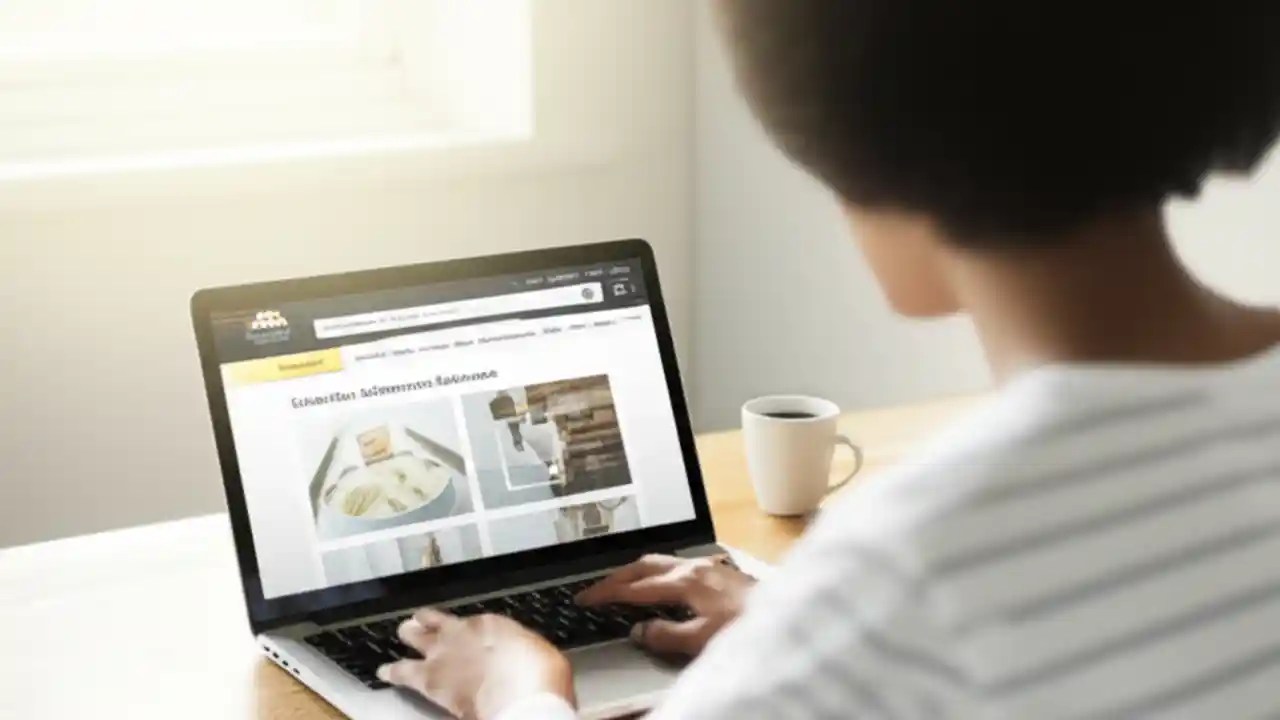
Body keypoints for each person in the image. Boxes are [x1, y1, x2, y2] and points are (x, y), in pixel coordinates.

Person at [377, 2, 1280, 717]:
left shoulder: (910, 569)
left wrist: (518, 693)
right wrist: (800, 634)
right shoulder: (884, 607)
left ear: (869, 149)